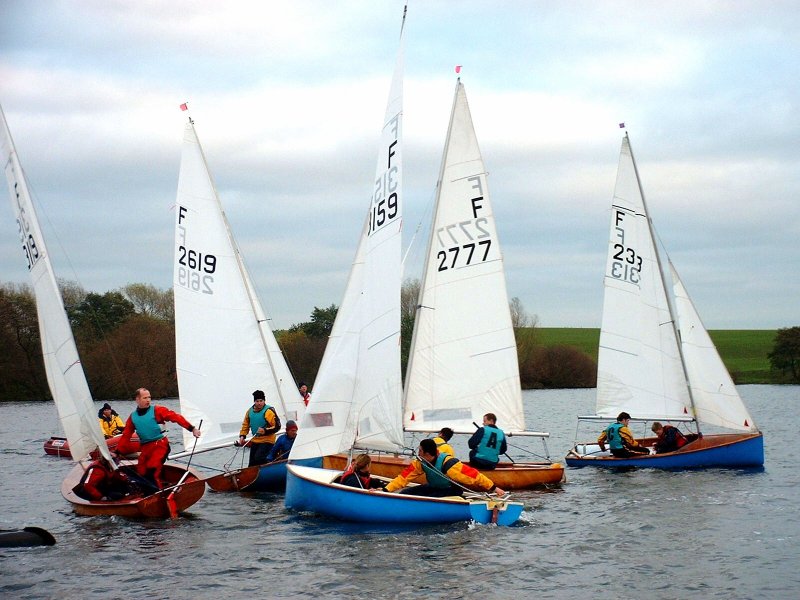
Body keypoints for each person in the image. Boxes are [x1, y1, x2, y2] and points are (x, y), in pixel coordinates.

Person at [116, 387, 201, 489]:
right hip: (146, 448)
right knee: (141, 472)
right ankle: (147, 493)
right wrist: (117, 452)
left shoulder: (157, 410)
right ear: (137, 400)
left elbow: (176, 417)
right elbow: (126, 436)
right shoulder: (133, 417)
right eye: (144, 398)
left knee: (152, 470)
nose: (148, 400)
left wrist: (192, 429)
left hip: (160, 445)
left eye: (149, 397)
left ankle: (157, 493)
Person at [384, 438, 506, 498]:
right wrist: (386, 490)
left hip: (451, 490)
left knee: (429, 498)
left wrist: (494, 488)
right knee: (406, 493)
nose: (418, 453)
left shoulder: (449, 465)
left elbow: (474, 476)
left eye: (420, 451)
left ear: (427, 454)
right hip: (434, 487)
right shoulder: (420, 462)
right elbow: (403, 478)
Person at [237, 390, 281, 466]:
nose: (259, 403)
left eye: (261, 401)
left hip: (267, 441)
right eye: (257, 401)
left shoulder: (268, 411)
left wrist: (265, 431)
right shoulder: (250, 411)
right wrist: (242, 436)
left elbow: (277, 426)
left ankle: (271, 468)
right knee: (252, 464)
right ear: (254, 402)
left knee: (259, 458)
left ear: (264, 401)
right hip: (255, 440)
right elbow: (245, 425)